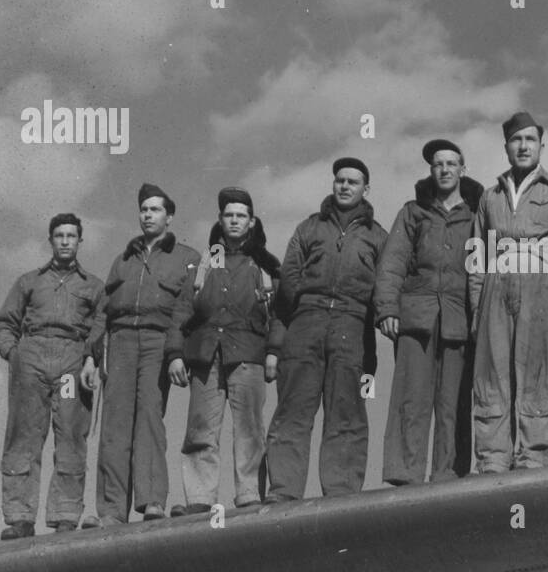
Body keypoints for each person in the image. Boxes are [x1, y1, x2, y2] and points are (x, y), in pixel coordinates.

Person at [266, 159, 387, 499]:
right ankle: (283, 491)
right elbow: (288, 278)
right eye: (339, 180)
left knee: (347, 411)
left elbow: (384, 285)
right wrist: (301, 313)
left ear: (366, 189)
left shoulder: (378, 236)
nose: (345, 186)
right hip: (306, 322)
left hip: (352, 325)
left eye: (353, 181)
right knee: (293, 410)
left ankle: (341, 491)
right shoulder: (309, 228)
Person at [86, 183, 199, 525]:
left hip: (157, 340)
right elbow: (103, 310)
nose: (148, 215)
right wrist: (92, 355)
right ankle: (110, 509)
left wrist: (177, 351)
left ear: (169, 217)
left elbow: (184, 309)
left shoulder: (187, 258)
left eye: (155, 210)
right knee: (114, 425)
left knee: (150, 418)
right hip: (119, 342)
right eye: (144, 209)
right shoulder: (122, 259)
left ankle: (152, 502)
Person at [469, 112, 548, 473]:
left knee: (537, 374)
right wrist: (475, 310)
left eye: (530, 140)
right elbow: (476, 256)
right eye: (517, 140)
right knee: (492, 377)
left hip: (540, 283)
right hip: (496, 287)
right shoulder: (489, 197)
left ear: (541, 146)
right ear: (506, 148)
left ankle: (534, 454)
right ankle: (493, 458)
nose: (523, 146)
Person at [167, 187, 283, 514]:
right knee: (200, 429)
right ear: (220, 220)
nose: (234, 221)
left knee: (250, 429)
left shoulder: (264, 264)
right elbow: (182, 310)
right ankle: (201, 499)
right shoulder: (206, 262)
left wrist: (274, 351)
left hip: (248, 352)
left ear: (251, 221)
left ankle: (249, 495)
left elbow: (279, 314)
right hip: (206, 354)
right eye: (228, 215)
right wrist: (175, 354)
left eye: (240, 216)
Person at [374, 140, 483, 485]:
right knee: (411, 397)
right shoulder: (412, 211)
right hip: (417, 316)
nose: (445, 170)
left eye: (452, 163)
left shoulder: (478, 212)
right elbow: (392, 262)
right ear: (431, 170)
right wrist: (388, 307)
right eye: (439, 164)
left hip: (458, 317)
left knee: (454, 401)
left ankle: (448, 472)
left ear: (463, 169)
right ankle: (404, 473)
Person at [0, 213, 105, 538]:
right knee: (23, 435)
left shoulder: (94, 286)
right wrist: (14, 355)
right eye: (59, 235)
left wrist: (90, 359)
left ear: (80, 241)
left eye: (71, 236)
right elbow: (5, 322)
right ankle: (19, 517)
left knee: (70, 434)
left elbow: (101, 325)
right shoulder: (29, 281)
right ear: (51, 240)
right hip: (32, 359)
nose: (66, 241)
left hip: (72, 361)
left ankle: (66, 515)